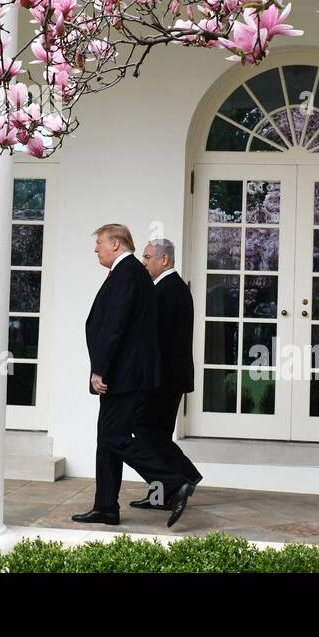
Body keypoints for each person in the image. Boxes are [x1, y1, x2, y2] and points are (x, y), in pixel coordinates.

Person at [72, 223, 198, 528]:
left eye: (99, 242)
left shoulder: (128, 272)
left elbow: (116, 326)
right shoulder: (131, 273)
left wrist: (100, 368)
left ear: (115, 244)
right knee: (107, 440)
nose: (96, 249)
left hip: (124, 375)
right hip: (127, 374)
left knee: (114, 436)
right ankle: (105, 507)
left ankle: (172, 480)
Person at [130, 239, 203, 510]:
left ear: (164, 260)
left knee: (145, 430)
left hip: (164, 379)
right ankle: (161, 495)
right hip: (170, 377)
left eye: (148, 257)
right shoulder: (172, 288)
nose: (144, 262)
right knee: (156, 433)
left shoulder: (167, 290)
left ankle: (184, 476)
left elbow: (154, 339)